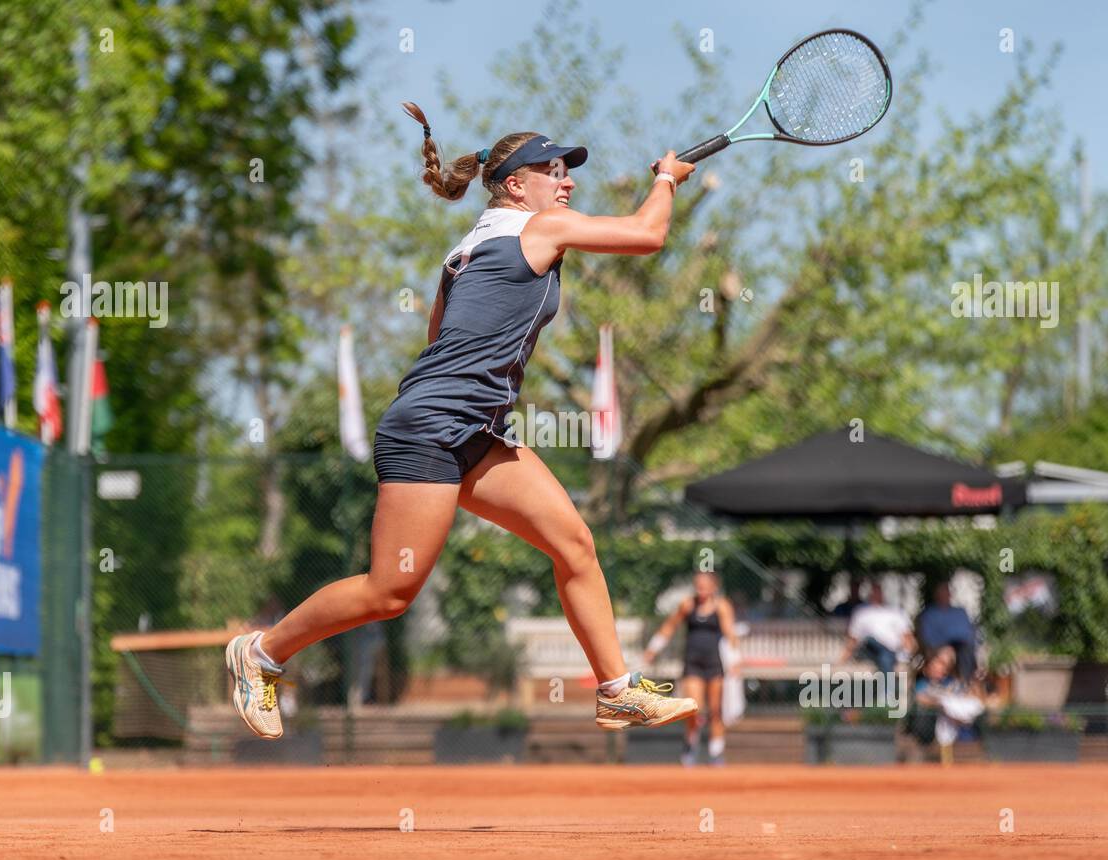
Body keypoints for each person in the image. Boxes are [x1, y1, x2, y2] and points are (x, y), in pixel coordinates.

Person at [224, 103, 699, 739]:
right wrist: (666, 179)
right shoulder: (541, 228)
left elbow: (437, 337)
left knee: (574, 544)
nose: (567, 182)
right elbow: (648, 236)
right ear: (514, 185)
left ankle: (615, 692)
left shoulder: (463, 251)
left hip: (469, 429)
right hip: (429, 429)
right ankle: (259, 654)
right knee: (390, 592)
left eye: (566, 171)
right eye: (553, 170)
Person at [643, 571, 741, 766]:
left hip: (715, 664)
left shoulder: (722, 606)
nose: (701, 589)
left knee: (715, 709)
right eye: (698, 585)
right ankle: (691, 744)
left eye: (705, 585)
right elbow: (669, 627)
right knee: (694, 709)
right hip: (693, 663)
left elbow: (731, 634)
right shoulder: (688, 605)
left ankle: (716, 751)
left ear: (714, 587)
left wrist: (735, 660)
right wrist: (653, 649)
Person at [838, 582, 916, 673]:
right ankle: (888, 686)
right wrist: (842, 660)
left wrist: (906, 655)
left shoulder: (896, 612)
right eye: (873, 591)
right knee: (871, 641)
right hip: (868, 650)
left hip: (891, 652)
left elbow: (907, 637)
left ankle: (886, 686)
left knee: (885, 657)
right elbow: (853, 638)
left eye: (879, 590)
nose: (876, 593)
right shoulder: (861, 612)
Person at [915, 581, 978, 680]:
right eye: (942, 593)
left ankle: (965, 681)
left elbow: (968, 632)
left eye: (947, 593)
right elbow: (927, 636)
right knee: (948, 653)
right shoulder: (929, 614)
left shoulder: (960, 612)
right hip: (939, 645)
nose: (945, 596)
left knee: (967, 649)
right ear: (937, 595)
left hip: (961, 644)